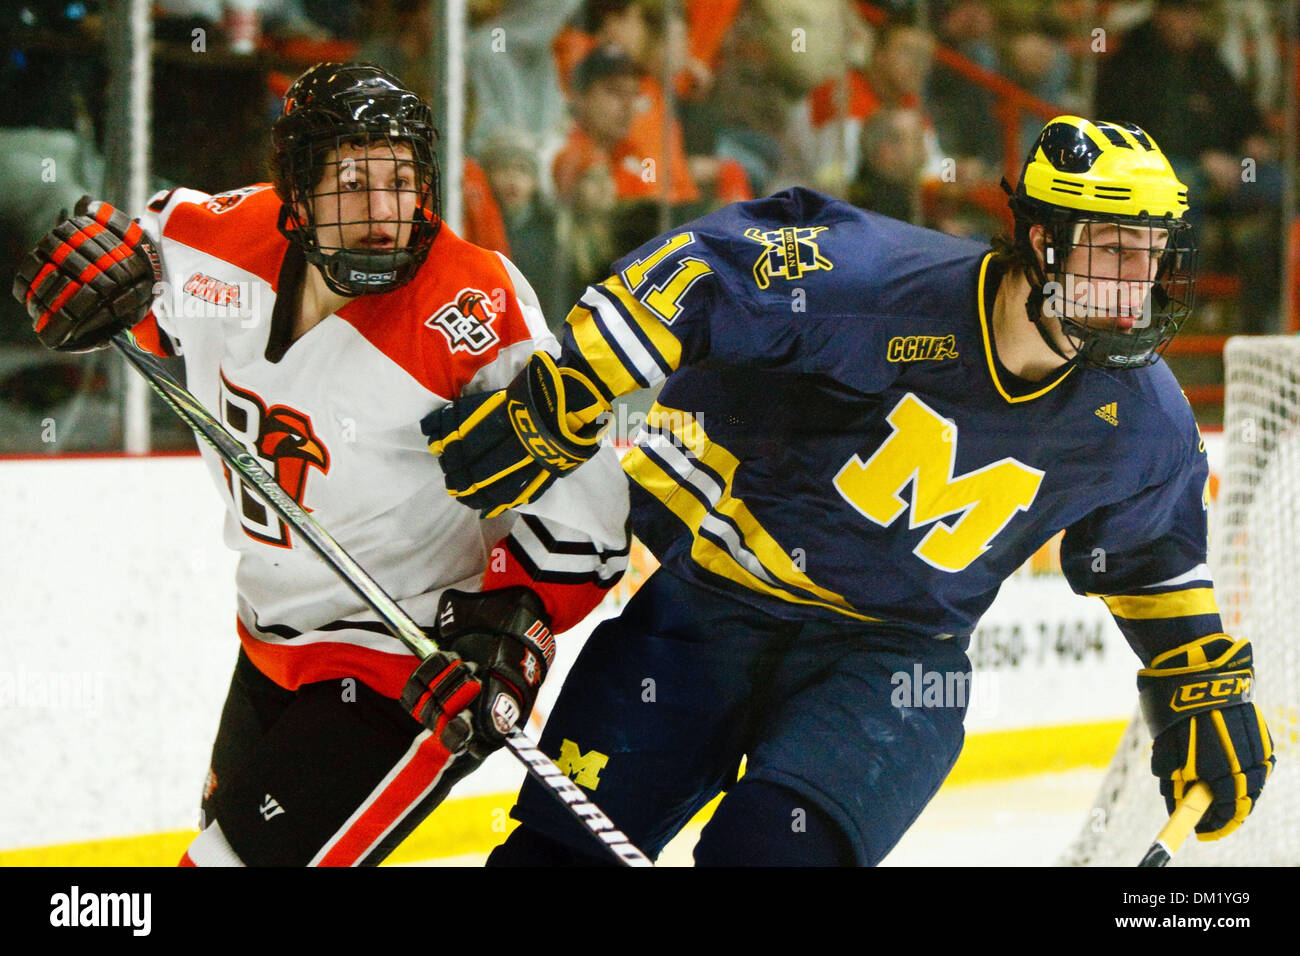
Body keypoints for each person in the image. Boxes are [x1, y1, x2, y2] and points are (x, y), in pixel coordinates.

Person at [424, 115, 1276, 866]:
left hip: (894, 663)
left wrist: (1197, 678)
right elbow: (703, 269)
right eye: (1111, 249)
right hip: (712, 610)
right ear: (1042, 242)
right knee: (556, 856)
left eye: (1151, 254)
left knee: (770, 855)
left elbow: (1150, 554)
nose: (1135, 285)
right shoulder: (881, 283)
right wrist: (568, 391)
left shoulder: (1146, 418)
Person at [12, 62, 629, 866]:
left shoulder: (470, 310)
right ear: (298, 195)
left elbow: (587, 507)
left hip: (407, 668)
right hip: (268, 640)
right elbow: (132, 277)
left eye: (402, 181)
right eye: (353, 182)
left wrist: (507, 644)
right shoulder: (214, 247)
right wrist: (86, 277)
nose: (383, 213)